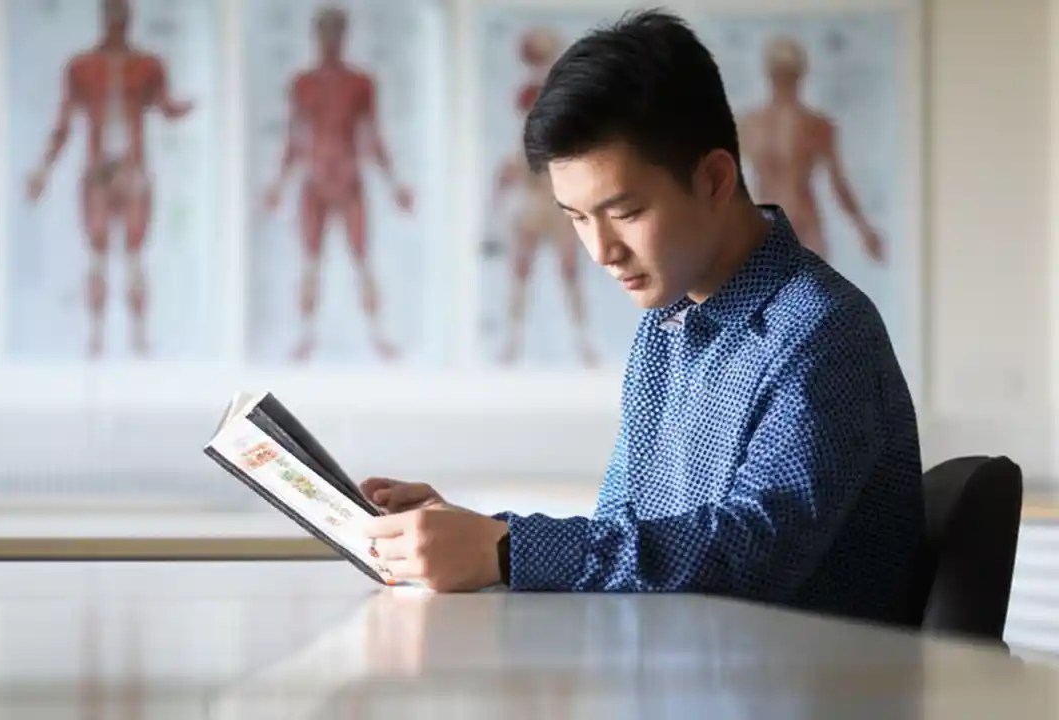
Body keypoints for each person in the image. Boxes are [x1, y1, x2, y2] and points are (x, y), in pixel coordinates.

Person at [359, 10, 922, 626]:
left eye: (623, 212)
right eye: (576, 218)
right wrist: (474, 538)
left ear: (712, 179)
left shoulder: (823, 332)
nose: (600, 252)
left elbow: (753, 555)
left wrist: (507, 549)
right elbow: (621, 540)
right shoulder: (665, 329)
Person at [27, 0, 193, 358]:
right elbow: (64, 123)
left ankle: (138, 337)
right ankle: (97, 337)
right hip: (98, 172)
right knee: (98, 257)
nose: (117, 21)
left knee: (134, 257)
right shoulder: (83, 68)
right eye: (111, 14)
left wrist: (199, 102)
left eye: (122, 14)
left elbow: (166, 107)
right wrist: (43, 170)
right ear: (103, 17)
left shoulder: (147, 67)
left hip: (133, 170)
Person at [262, 6, 414, 363]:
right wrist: (278, 186)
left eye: (336, 31)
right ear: (316, 35)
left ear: (344, 35)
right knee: (311, 261)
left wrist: (394, 186)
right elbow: (294, 140)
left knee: (362, 259)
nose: (331, 38)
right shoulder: (303, 84)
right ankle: (304, 336)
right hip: (315, 180)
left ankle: (378, 335)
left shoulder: (360, 84)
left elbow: (373, 136)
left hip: (348, 178)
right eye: (325, 31)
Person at [491, 26, 598, 367]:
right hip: (536, 195)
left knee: (568, 271)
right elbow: (522, 149)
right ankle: (511, 340)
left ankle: (583, 342)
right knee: (522, 268)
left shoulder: (570, 102)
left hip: (559, 198)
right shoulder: (530, 97)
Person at [738, 36, 883, 263]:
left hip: (784, 226)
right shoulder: (756, 124)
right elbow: (839, 185)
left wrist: (863, 228)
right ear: (801, 73)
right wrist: (863, 228)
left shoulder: (757, 124)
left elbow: (838, 184)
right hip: (780, 226)